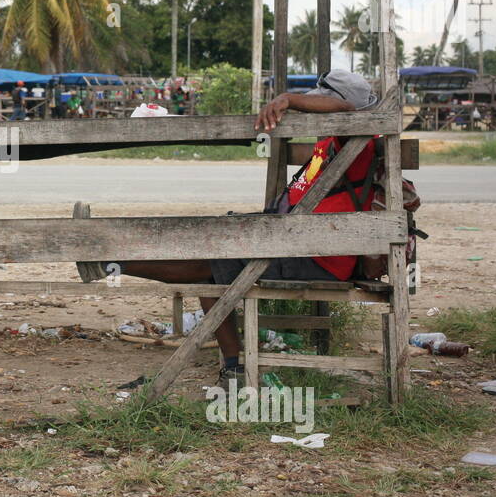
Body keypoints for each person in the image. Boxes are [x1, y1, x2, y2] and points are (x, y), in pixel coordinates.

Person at [73, 69, 385, 384]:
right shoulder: (332, 141)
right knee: (212, 239)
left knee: (211, 261)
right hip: (293, 241)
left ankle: (111, 262)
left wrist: (288, 99)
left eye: (319, 99)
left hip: (318, 257)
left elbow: (346, 111)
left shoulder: (356, 136)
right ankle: (111, 259)